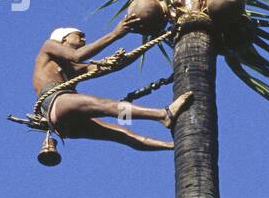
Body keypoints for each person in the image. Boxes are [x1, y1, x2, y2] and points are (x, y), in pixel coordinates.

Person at [32, 19, 192, 151]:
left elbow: (114, 66)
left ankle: (174, 147)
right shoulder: (49, 45)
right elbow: (77, 55)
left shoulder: (73, 69)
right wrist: (115, 34)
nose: (84, 38)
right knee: (106, 106)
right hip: (56, 101)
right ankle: (163, 115)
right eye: (79, 35)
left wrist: (149, 43)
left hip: (63, 121)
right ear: (64, 38)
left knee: (121, 133)